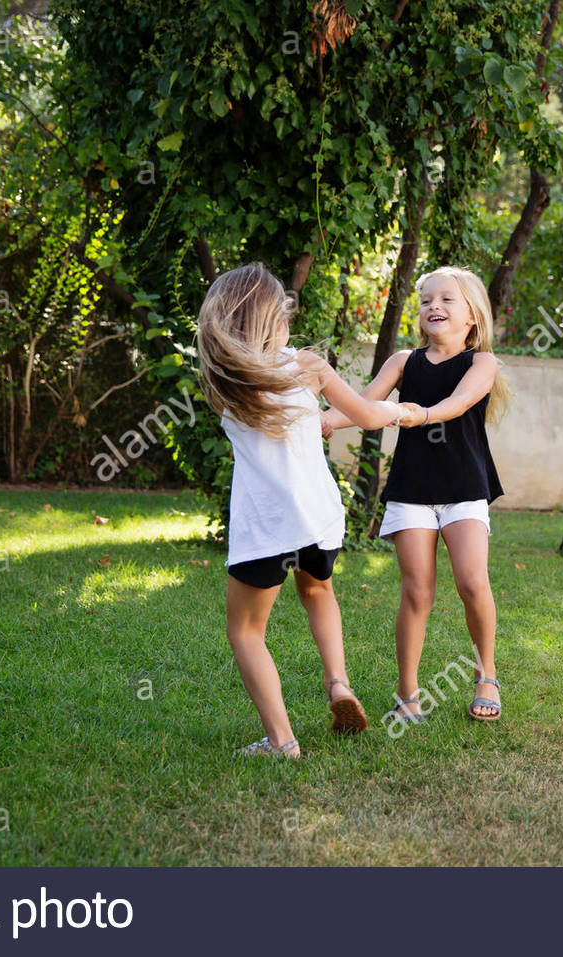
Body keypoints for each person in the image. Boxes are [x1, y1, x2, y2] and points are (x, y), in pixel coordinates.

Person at [196, 263, 421, 758]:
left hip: (267, 526)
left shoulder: (224, 381)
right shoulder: (308, 366)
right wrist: (401, 412)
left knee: (245, 630)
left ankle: (282, 741)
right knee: (318, 591)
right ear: (273, 319)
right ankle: (337, 681)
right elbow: (367, 416)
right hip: (319, 518)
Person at [321, 266, 509, 725]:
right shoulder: (404, 361)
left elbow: (457, 404)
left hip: (464, 488)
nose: (433, 307)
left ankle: (486, 675)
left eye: (446, 299)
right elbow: (364, 406)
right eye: (426, 301)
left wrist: (415, 415)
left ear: (472, 315)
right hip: (411, 490)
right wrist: (322, 420)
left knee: (472, 582)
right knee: (416, 592)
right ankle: (407, 693)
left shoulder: (482, 363)